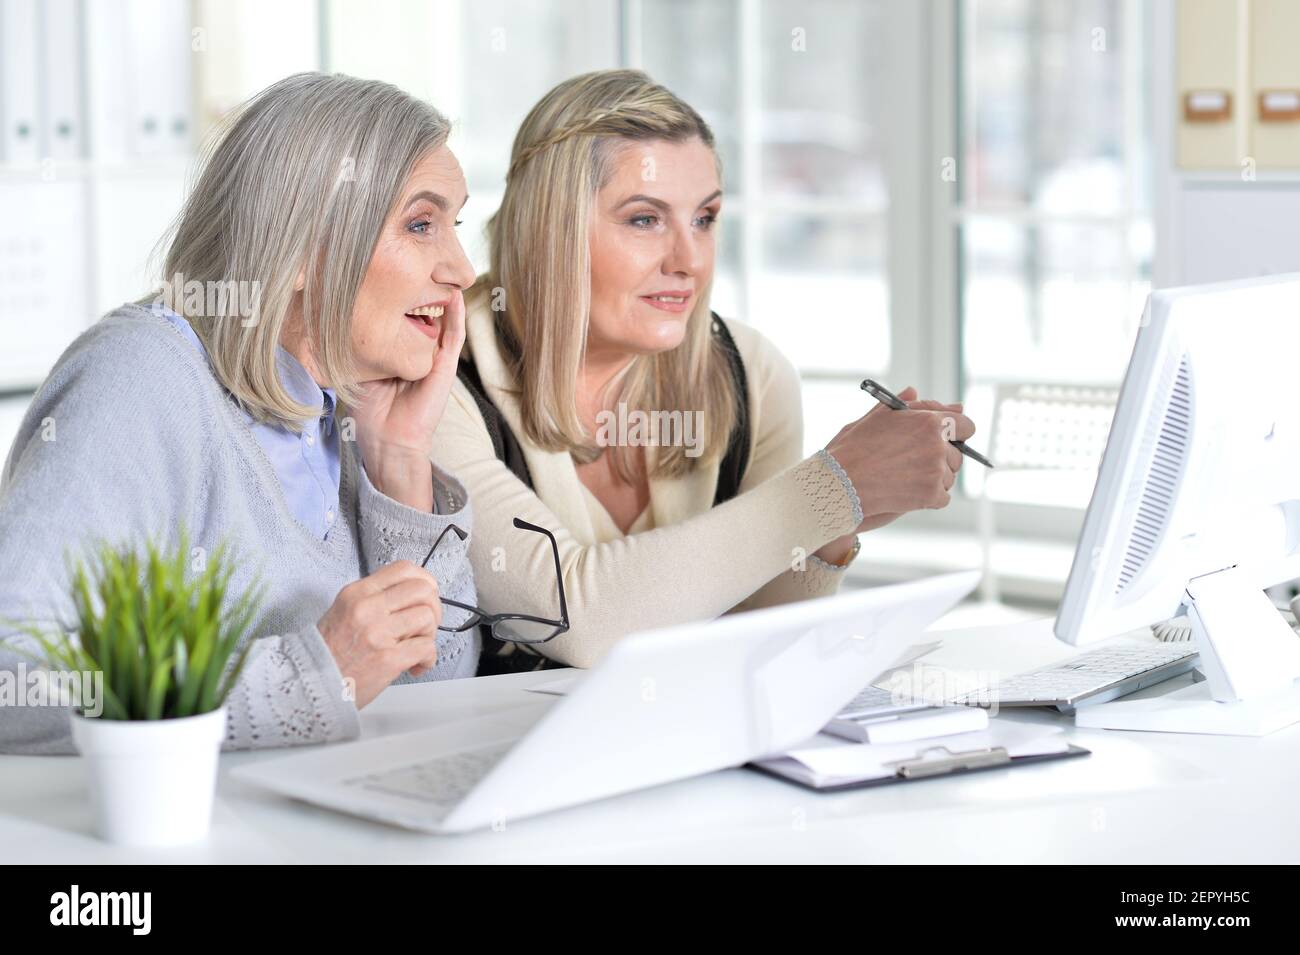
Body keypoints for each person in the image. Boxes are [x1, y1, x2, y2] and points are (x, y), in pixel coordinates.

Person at [433, 69, 976, 673]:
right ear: (548, 229)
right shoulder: (438, 388)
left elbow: (757, 639)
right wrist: (830, 489)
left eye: (705, 219)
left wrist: (832, 528)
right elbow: (579, 619)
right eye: (645, 219)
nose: (689, 260)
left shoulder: (753, 373)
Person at [0, 72, 481, 753]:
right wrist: (313, 672)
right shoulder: (141, 376)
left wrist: (401, 460)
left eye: (453, 225)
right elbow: (12, 674)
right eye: (421, 224)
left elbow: (445, 695)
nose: (462, 268)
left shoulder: (344, 413)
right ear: (301, 252)